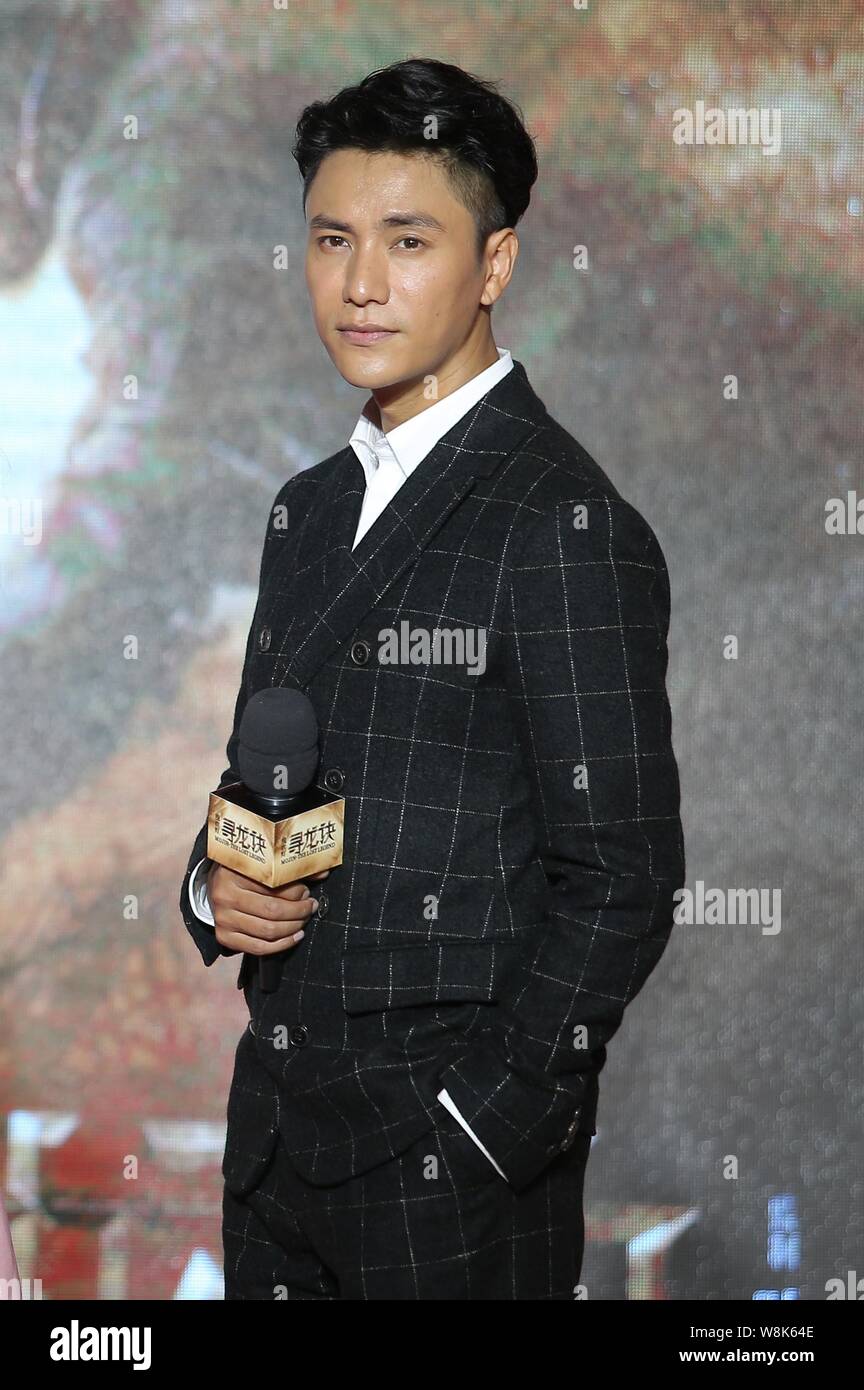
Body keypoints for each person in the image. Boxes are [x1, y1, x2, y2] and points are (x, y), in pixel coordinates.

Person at [178, 57, 685, 1300]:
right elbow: (271, 774)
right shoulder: (306, 512)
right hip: (278, 1146)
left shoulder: (562, 519)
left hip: (447, 1187)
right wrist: (211, 886)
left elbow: (623, 877)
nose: (360, 283)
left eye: (409, 241)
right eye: (333, 238)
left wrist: (483, 1129)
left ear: (495, 266)